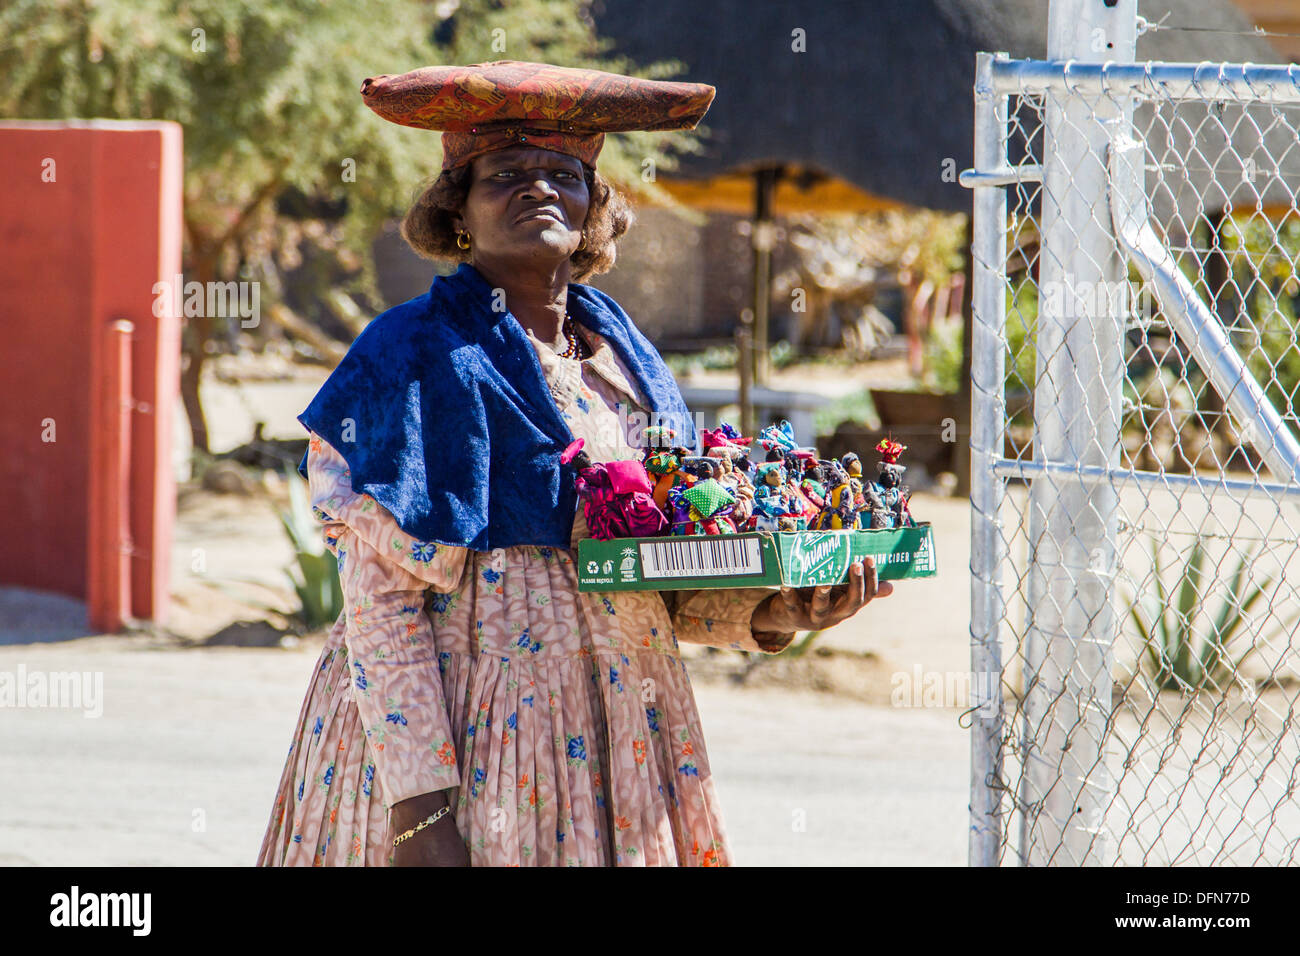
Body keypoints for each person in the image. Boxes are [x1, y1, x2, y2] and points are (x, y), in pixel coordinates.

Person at [256, 60, 893, 868]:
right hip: (471, 748)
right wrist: (419, 812)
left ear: (596, 206)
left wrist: (773, 612)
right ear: (458, 206)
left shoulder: (624, 364)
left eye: (564, 172)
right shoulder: (409, 355)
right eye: (505, 174)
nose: (538, 188)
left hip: (628, 734)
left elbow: (647, 572)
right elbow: (382, 608)